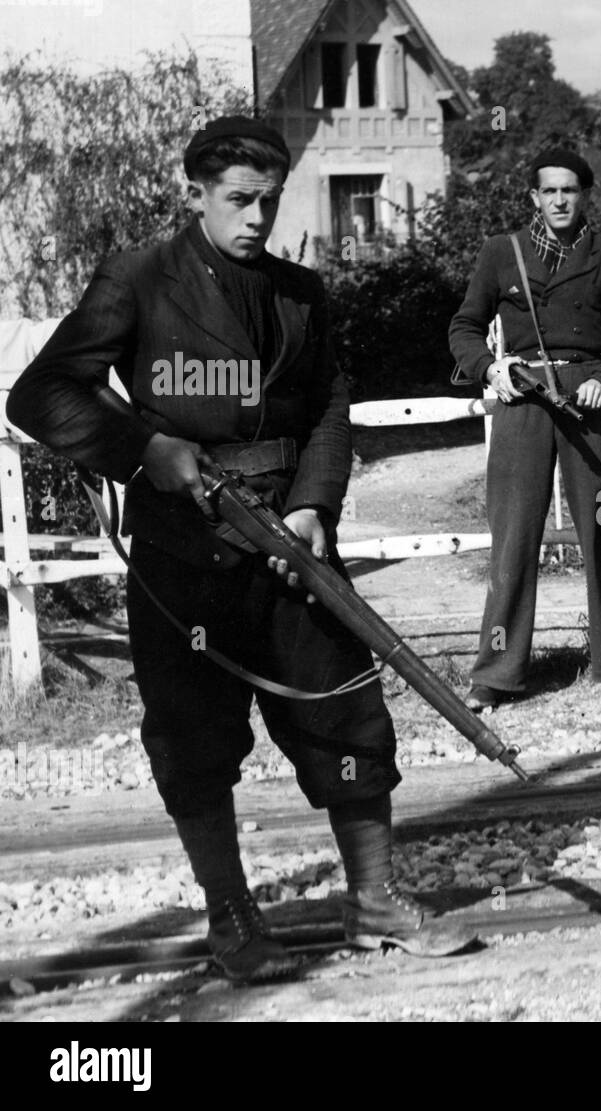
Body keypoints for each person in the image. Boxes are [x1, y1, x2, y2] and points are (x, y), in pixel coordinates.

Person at [5, 116, 475, 982]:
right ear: (196, 195)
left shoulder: (300, 290)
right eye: (238, 200)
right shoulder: (139, 279)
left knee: (347, 715)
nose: (257, 218)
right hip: (184, 558)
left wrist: (313, 505)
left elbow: (331, 402)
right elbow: (41, 395)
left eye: (270, 199)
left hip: (289, 544)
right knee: (194, 739)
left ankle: (372, 901)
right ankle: (232, 918)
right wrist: (143, 450)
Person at [448, 148, 601, 710]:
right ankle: (495, 675)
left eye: (570, 190)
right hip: (522, 405)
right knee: (514, 537)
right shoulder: (502, 252)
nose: (560, 200)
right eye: (550, 191)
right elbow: (465, 327)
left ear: (584, 195)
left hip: (592, 410)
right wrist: (491, 368)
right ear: (533, 198)